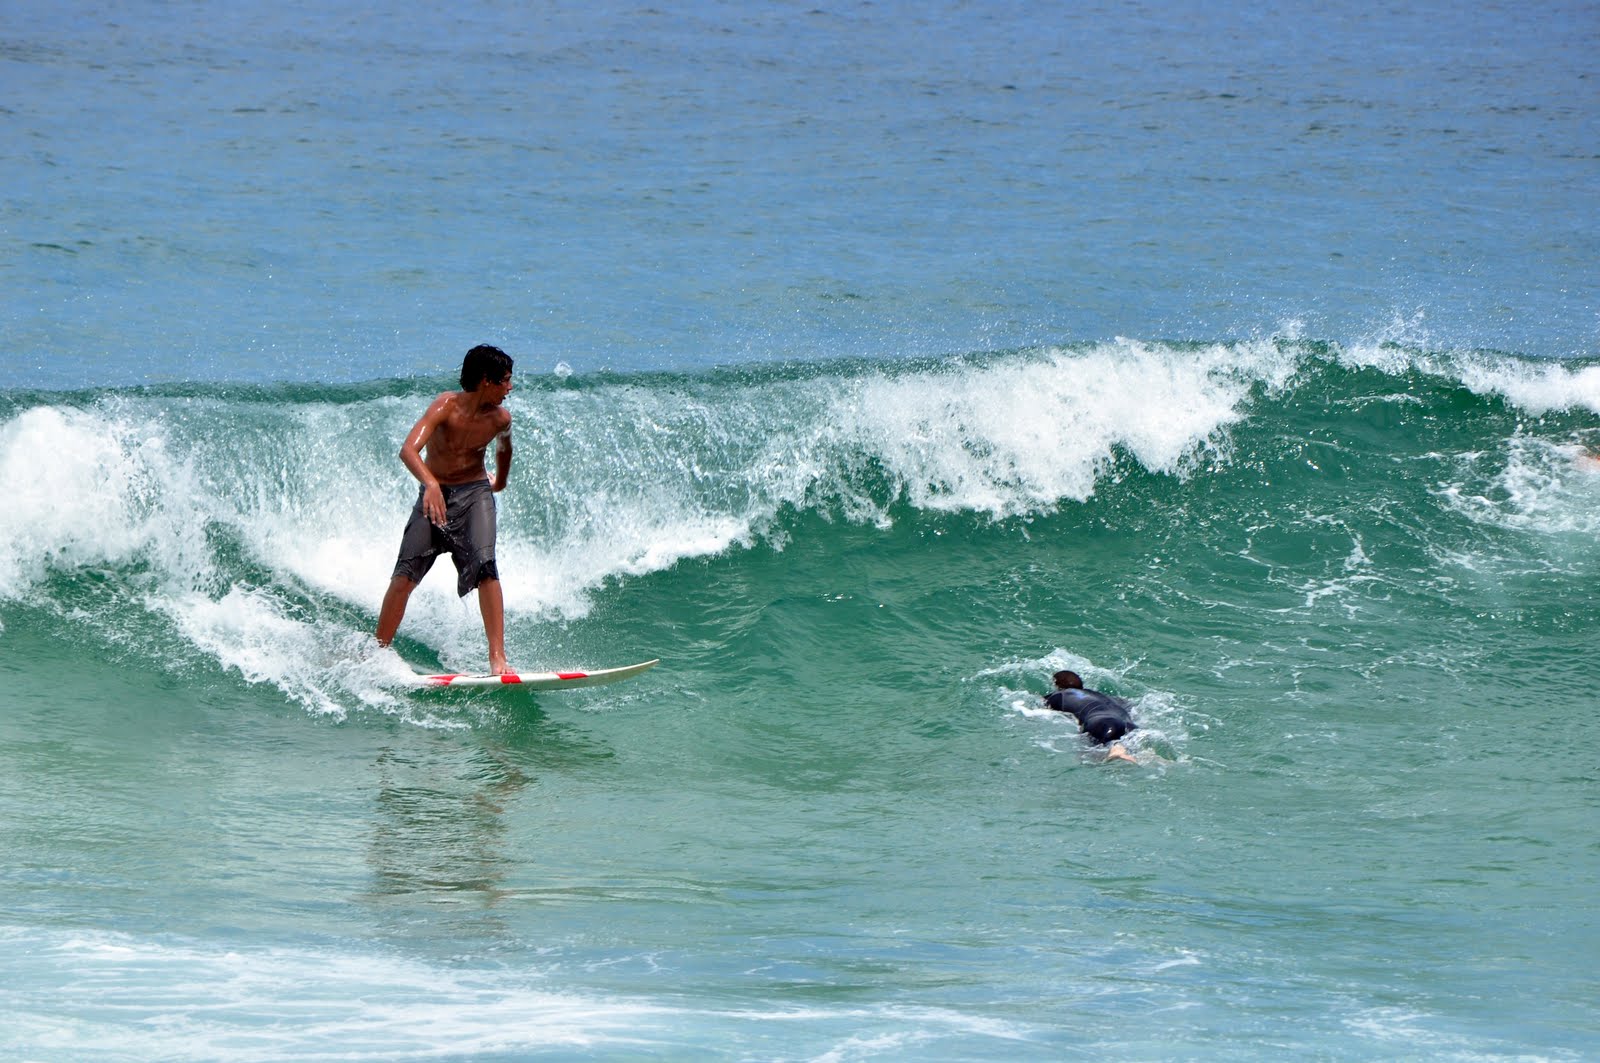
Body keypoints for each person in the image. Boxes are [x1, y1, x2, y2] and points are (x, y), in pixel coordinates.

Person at [376, 344, 515, 674]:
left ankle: (498, 657)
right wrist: (432, 484)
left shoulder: (500, 418)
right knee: (404, 575)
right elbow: (409, 450)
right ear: (486, 380)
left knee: (486, 565)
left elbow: (505, 451)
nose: (510, 388)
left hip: (475, 495)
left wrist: (499, 482)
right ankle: (378, 650)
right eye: (506, 381)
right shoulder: (445, 406)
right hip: (435, 497)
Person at [1044, 670, 1138, 764]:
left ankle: (1118, 751)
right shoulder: (1107, 697)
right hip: (1129, 725)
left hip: (1101, 723)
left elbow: (1039, 708)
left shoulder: (1060, 695)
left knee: (1100, 755)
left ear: (1057, 685)